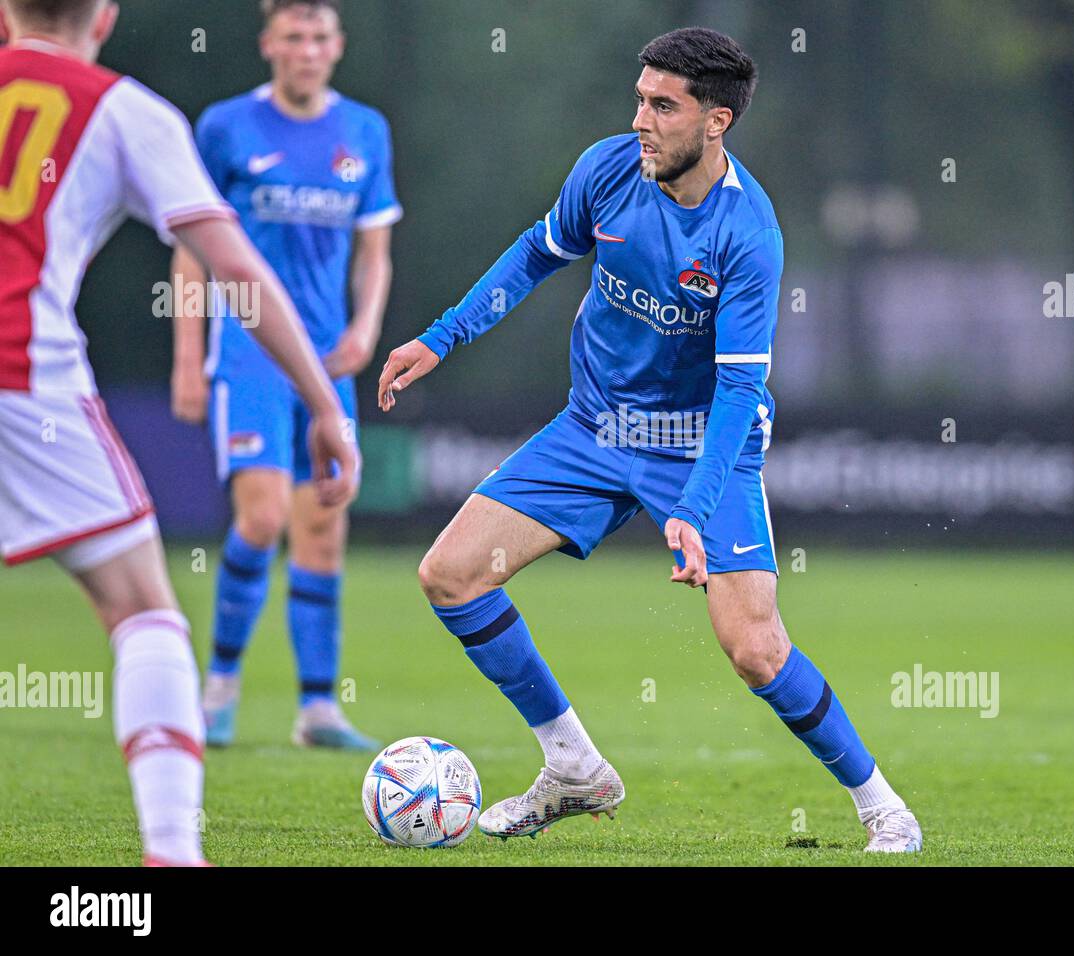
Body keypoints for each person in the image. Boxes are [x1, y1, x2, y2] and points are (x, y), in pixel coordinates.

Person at [378, 27, 922, 852]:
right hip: (593, 429)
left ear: (717, 122)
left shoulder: (750, 235)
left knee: (755, 650)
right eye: (640, 98)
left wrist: (694, 508)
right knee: (451, 576)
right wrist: (441, 338)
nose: (641, 119)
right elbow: (536, 254)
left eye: (663, 106)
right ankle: (572, 766)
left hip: (699, 443)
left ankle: (882, 804)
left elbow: (740, 389)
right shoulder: (607, 169)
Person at [0, 0, 356, 865]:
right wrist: (322, 402)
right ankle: (171, 855)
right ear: (107, 15)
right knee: (143, 614)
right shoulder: (126, 110)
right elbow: (233, 268)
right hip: (24, 379)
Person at [171, 0, 399, 749]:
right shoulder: (226, 126)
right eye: (294, 36)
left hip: (327, 360)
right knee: (263, 520)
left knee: (323, 530)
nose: (307, 49)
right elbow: (192, 248)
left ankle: (317, 711)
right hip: (246, 354)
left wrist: (365, 331)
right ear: (269, 44)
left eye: (321, 37)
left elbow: (374, 252)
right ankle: (220, 690)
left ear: (338, 47)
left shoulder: (365, 131)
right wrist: (188, 357)